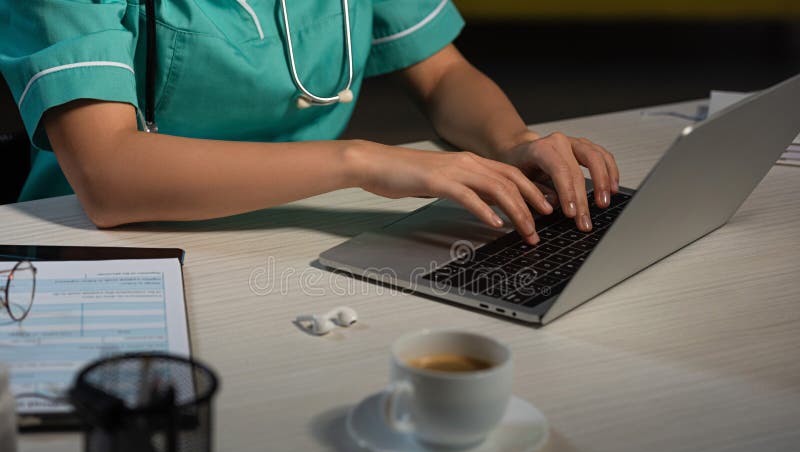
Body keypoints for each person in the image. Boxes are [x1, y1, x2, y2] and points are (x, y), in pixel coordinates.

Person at [0, 0, 618, 243]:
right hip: (112, 245)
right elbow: (108, 179)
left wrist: (512, 142)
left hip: (306, 231)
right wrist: (361, 160)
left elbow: (442, 75)